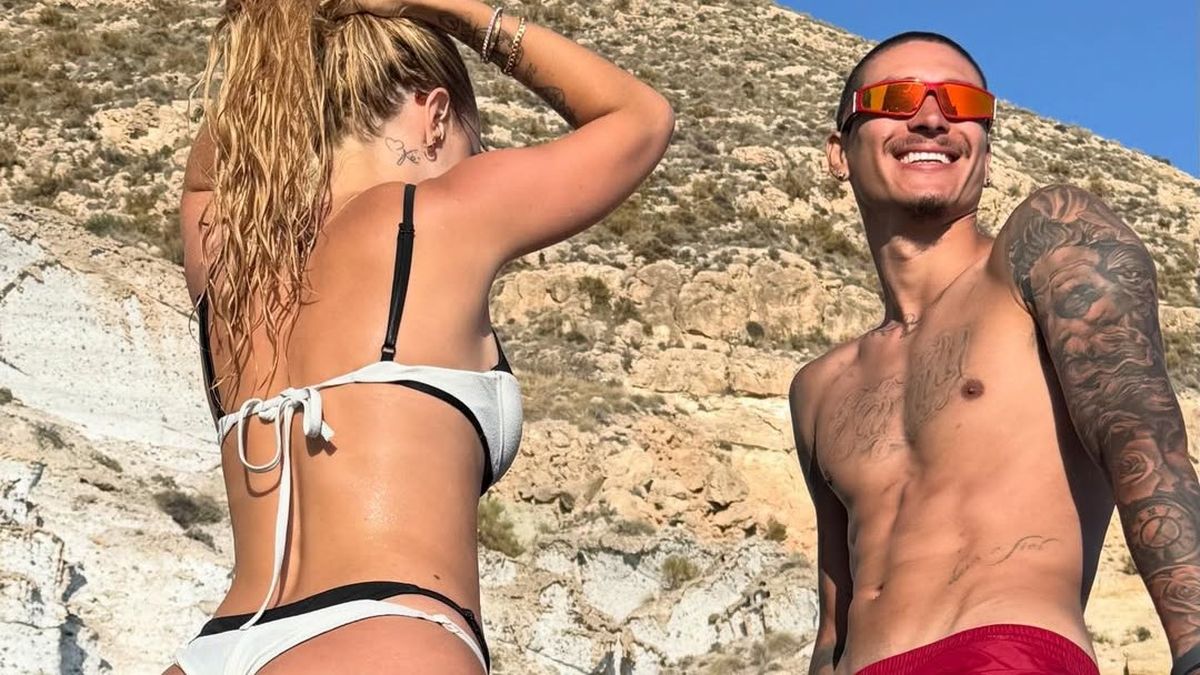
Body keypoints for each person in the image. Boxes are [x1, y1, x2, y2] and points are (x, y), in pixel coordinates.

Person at [168, 0, 672, 672]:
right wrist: (445, 7)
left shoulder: (229, 254)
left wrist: (283, 29)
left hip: (213, 648)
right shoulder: (440, 214)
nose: (477, 159)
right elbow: (640, 118)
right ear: (435, 114)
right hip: (383, 634)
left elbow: (210, 168)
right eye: (473, 140)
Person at [789, 31, 1200, 675]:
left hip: (1002, 653)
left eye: (963, 104)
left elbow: (1144, 439)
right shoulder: (819, 388)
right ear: (838, 153)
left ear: (984, 149)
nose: (932, 119)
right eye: (896, 98)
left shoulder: (1046, 244)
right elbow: (833, 628)